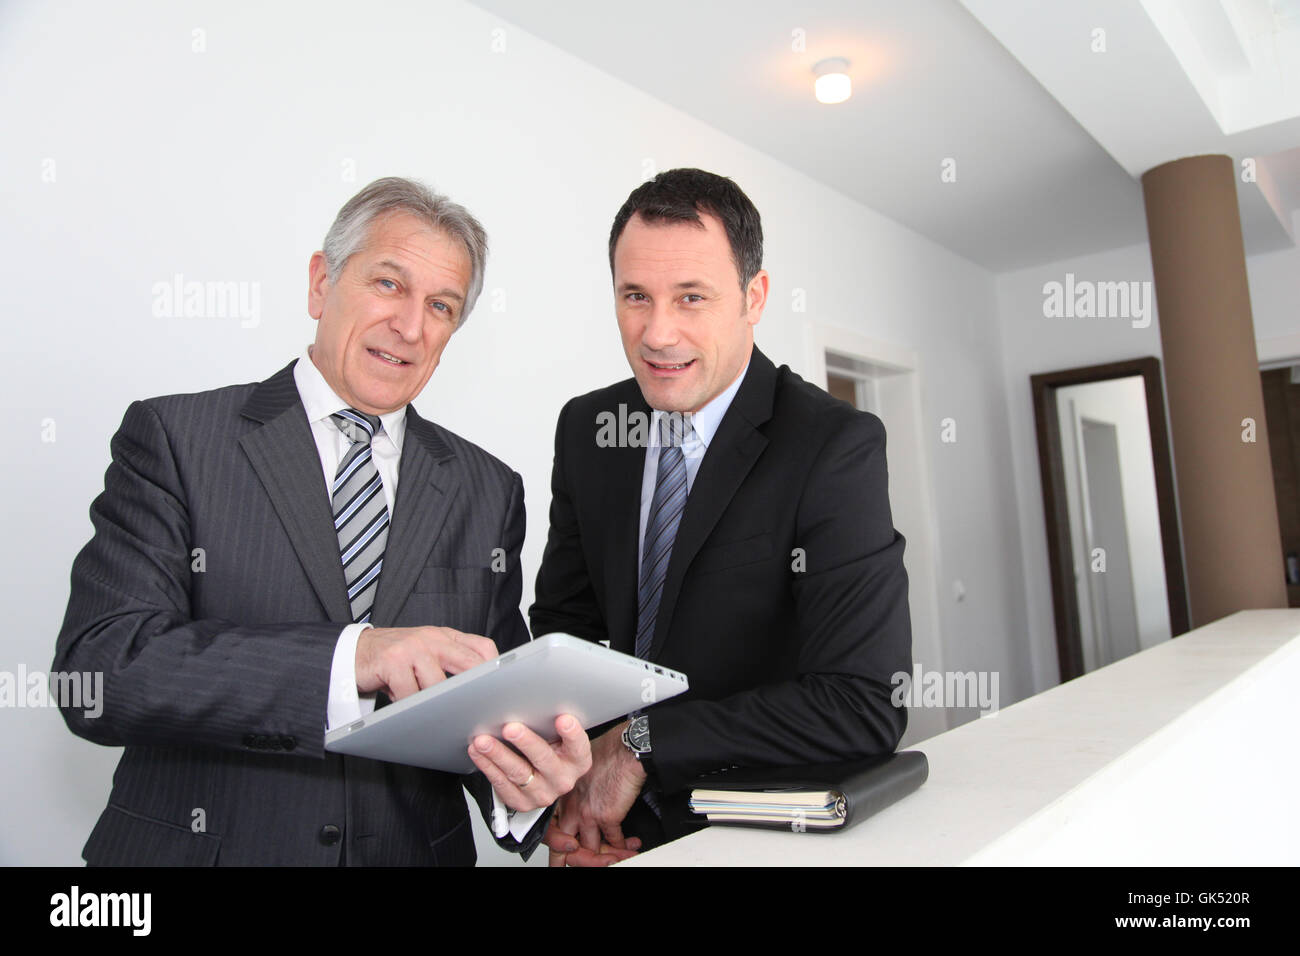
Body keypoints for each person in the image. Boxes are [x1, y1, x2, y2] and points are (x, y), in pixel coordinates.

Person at [53, 177, 587, 866]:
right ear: (320, 283)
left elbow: (488, 703)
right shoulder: (176, 438)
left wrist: (526, 790)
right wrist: (353, 658)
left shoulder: (488, 487)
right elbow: (99, 672)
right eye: (388, 284)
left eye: (441, 305)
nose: (411, 326)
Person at [531, 168, 913, 865]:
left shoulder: (833, 447)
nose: (658, 332)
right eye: (635, 296)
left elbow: (863, 705)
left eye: (691, 298)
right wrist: (578, 793)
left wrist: (640, 746)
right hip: (605, 827)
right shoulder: (589, 427)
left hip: (755, 834)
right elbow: (567, 630)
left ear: (753, 297)